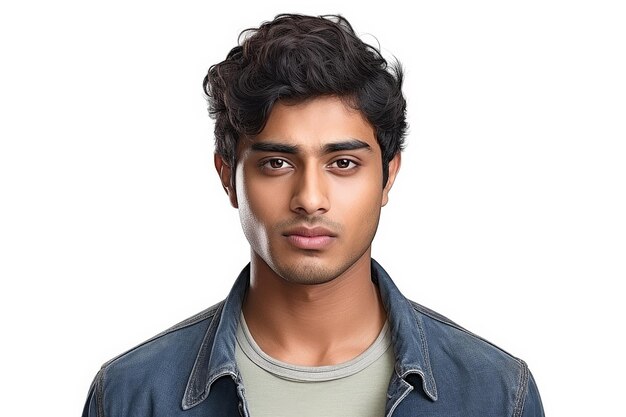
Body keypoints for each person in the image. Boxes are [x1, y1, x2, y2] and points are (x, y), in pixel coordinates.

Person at [82, 13, 544, 417]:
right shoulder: (130, 396)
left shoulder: (497, 394)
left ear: (387, 176)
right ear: (228, 177)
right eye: (276, 163)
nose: (309, 198)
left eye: (343, 163)